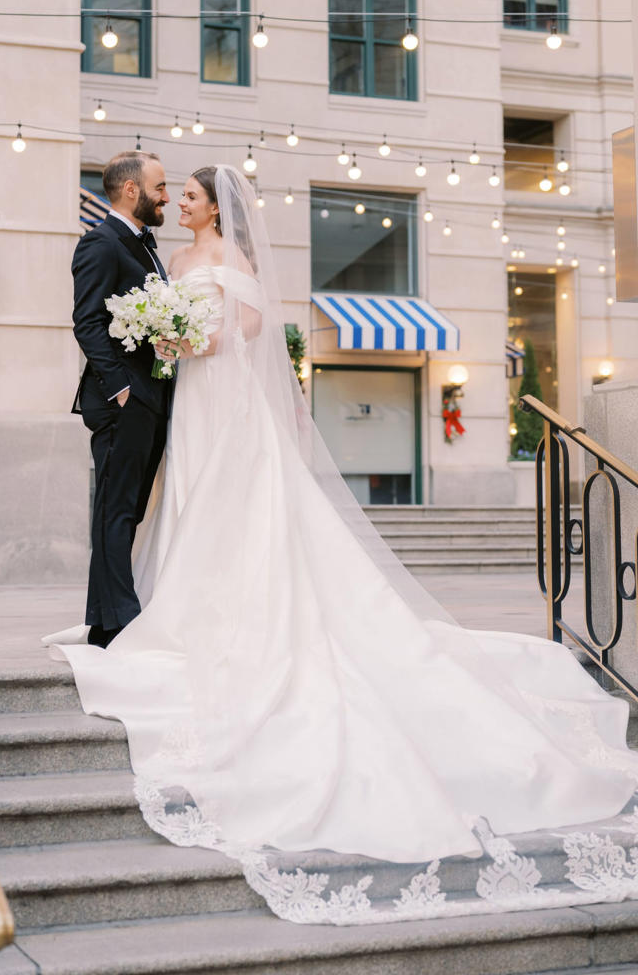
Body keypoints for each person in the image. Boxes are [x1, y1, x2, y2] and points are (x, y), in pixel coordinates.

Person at [47, 164, 638, 926]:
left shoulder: (228, 259)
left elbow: (253, 328)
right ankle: (157, 606)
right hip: (184, 400)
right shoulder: (166, 254)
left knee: (229, 506)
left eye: (188, 194)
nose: (178, 201)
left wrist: (199, 334)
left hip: (218, 396)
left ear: (214, 207)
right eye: (174, 193)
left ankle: (223, 610)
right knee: (181, 507)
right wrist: (171, 338)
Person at [70, 150, 171, 649]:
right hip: (121, 401)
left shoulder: (148, 247)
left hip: (153, 398)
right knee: (114, 509)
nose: (167, 197)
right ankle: (120, 622)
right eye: (161, 187)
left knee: (127, 510)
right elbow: (86, 322)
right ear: (132, 190)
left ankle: (104, 622)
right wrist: (121, 387)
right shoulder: (100, 243)